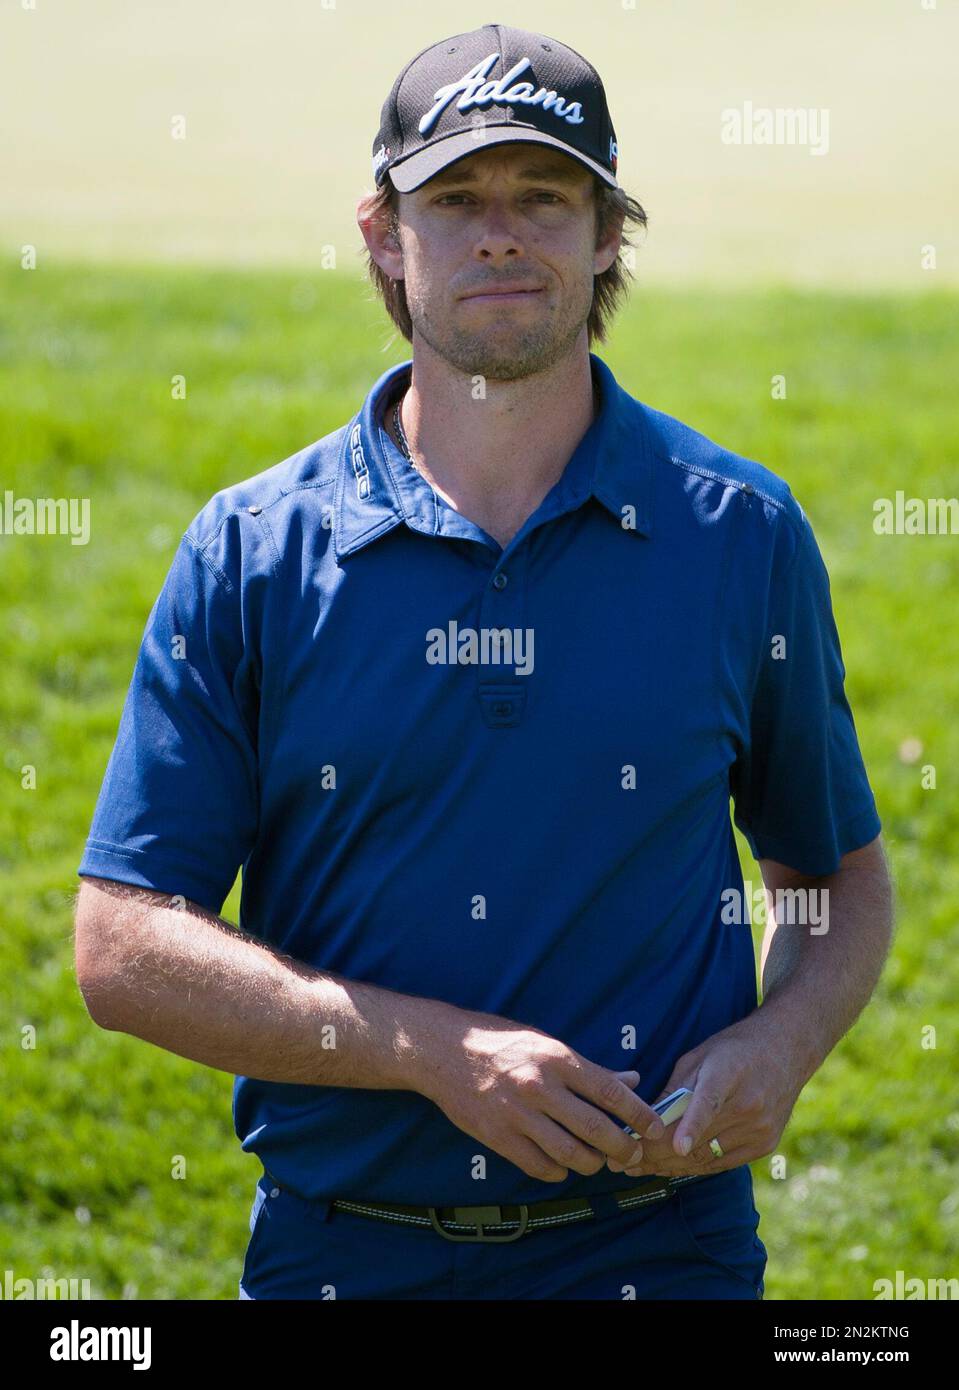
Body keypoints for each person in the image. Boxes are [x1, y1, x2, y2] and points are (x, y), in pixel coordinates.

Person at [74, 23, 893, 1300]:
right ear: (382, 235)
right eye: (454, 198)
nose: (500, 232)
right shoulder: (251, 551)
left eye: (544, 196)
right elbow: (123, 944)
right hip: (339, 1252)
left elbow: (830, 875)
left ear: (607, 230)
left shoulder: (739, 534)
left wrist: (777, 1044)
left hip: (660, 1250)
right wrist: (427, 1051)